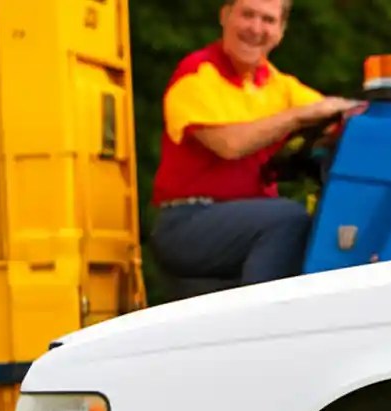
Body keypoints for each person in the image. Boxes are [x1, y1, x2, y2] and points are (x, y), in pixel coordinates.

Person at [149, 0, 360, 286]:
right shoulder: (197, 74)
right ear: (225, 16)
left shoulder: (277, 84)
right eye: (247, 14)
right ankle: (268, 325)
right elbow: (230, 144)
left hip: (246, 222)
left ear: (281, 31)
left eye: (268, 20)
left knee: (326, 224)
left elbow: (337, 114)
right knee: (289, 219)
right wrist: (298, 117)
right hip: (188, 221)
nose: (255, 28)